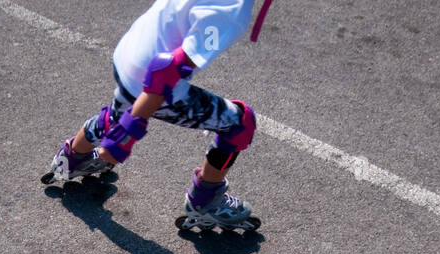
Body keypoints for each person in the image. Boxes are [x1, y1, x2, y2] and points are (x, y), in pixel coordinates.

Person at [45, 0, 272, 230]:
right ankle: (205, 202)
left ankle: (72, 158)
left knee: (122, 109)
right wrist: (127, 134)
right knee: (240, 123)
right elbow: (167, 72)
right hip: (151, 74)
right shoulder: (231, 10)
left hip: (130, 50)